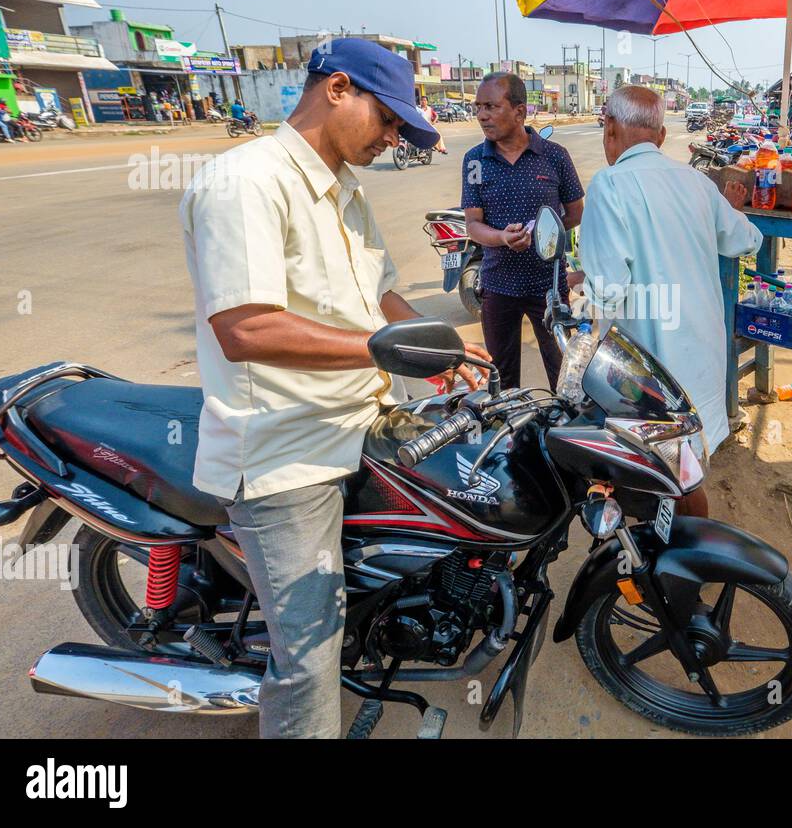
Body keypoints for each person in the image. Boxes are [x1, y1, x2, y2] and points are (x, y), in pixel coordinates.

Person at [180, 37, 491, 739]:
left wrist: (446, 354)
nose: (390, 139)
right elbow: (245, 329)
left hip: (363, 420)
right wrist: (383, 350)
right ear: (339, 88)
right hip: (286, 454)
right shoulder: (246, 182)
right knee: (309, 659)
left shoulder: (344, 188)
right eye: (388, 121)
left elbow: (380, 297)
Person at [577, 86, 762, 518]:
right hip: (702, 360)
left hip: (651, 371)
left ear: (609, 129)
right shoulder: (698, 183)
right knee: (686, 468)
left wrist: (585, 279)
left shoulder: (610, 184)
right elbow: (747, 239)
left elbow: (607, 288)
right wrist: (730, 210)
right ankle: (677, 557)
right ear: (660, 136)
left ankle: (683, 569)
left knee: (670, 478)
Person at [462, 72, 584, 391]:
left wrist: (546, 236)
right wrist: (503, 238)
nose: (482, 115)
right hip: (497, 286)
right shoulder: (474, 161)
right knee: (501, 379)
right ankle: (513, 439)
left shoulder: (555, 156)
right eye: (478, 107)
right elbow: (473, 225)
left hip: (549, 287)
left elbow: (575, 212)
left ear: (519, 111)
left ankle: (560, 438)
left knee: (564, 373)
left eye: (491, 106)